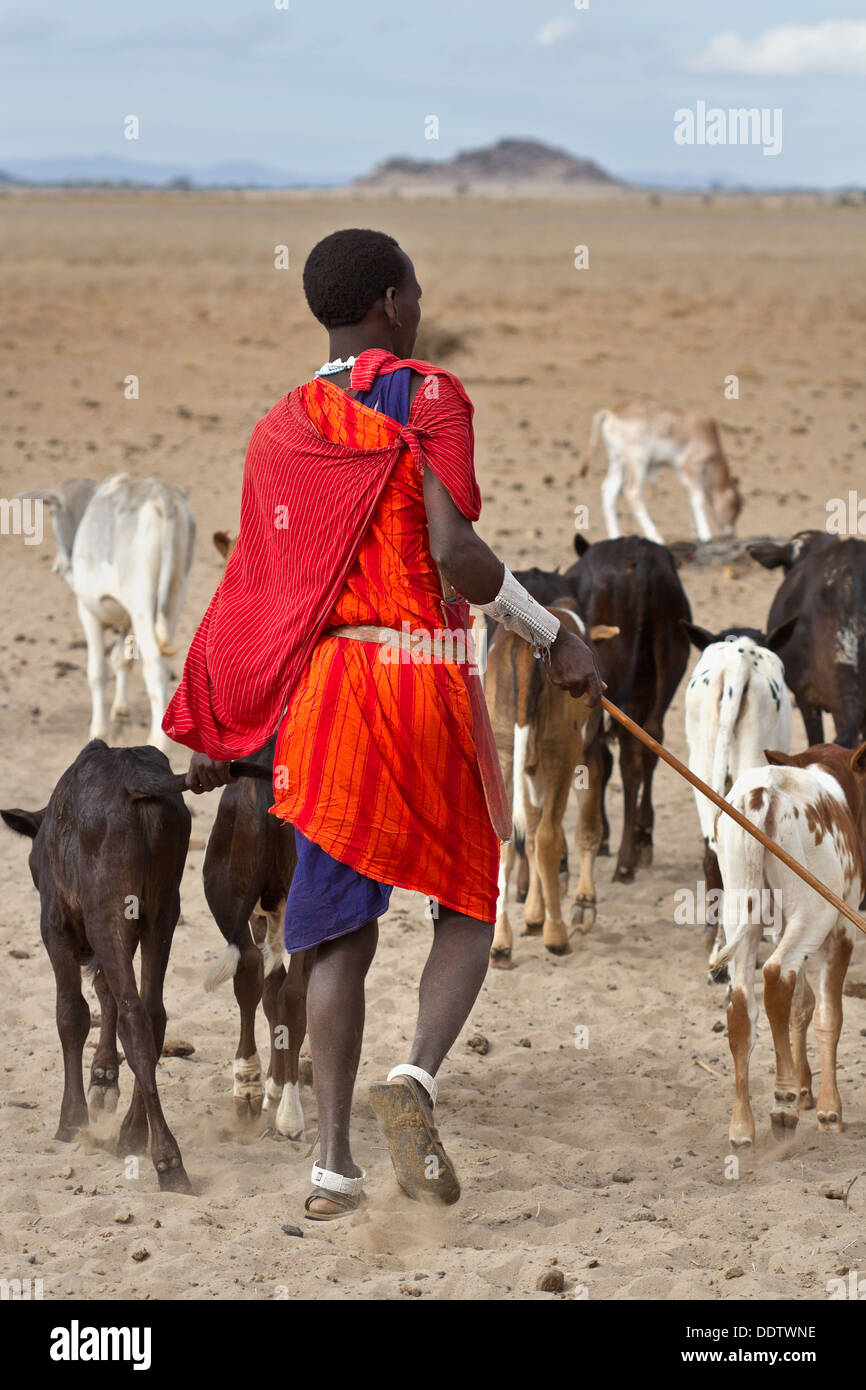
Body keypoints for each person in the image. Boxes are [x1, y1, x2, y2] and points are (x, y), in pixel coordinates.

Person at [165, 228, 603, 1220]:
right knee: (467, 901)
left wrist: (228, 715)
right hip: (420, 679)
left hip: (328, 699)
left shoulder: (280, 428)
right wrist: (551, 635)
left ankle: (330, 1168)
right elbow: (453, 551)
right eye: (416, 287)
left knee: (333, 933)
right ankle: (413, 1076)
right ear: (394, 306)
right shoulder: (428, 395)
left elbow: (263, 589)